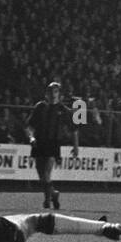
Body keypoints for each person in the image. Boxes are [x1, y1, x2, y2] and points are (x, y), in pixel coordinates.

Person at [25, 81, 80, 210]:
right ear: (46, 94)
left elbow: (74, 129)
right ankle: (54, 194)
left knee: (46, 173)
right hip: (39, 142)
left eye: (55, 91)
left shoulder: (63, 110)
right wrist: (31, 138)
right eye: (50, 91)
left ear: (59, 94)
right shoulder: (40, 107)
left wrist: (76, 147)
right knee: (41, 176)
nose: (52, 94)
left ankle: (46, 200)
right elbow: (28, 126)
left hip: (53, 144)